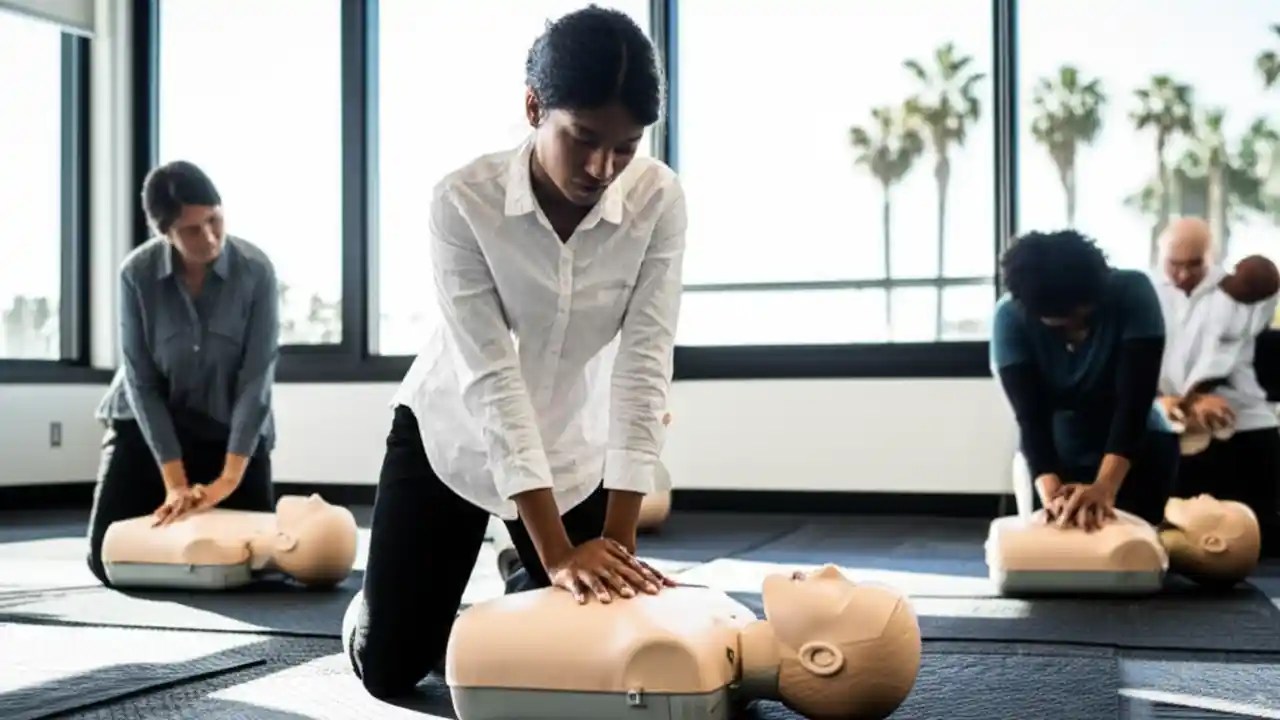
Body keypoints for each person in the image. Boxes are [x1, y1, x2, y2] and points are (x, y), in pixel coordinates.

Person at [345, 6, 683, 699]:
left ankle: (518, 572)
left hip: (569, 445)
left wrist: (613, 550)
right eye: (583, 138)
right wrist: (559, 553)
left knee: (591, 635)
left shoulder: (659, 200)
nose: (602, 167)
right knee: (392, 670)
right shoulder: (462, 202)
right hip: (455, 438)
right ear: (534, 107)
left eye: (626, 145)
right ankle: (381, 607)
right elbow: (491, 380)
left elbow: (644, 366)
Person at [87, 160, 280, 585]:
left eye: (215, 219)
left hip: (229, 429)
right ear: (165, 233)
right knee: (104, 558)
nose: (210, 237)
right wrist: (176, 485)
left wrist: (227, 481)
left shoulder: (256, 271)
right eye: (192, 229)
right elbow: (141, 381)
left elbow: (256, 381)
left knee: (259, 565)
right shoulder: (136, 275)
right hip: (149, 427)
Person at [990, 229, 1177, 531]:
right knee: (1054, 548)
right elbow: (1030, 417)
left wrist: (1105, 487)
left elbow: (1134, 403)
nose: (1076, 328)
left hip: (1139, 447)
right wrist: (1053, 496)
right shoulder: (1010, 317)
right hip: (1054, 451)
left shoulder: (1133, 291)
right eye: (1063, 321)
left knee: (1130, 551)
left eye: (1083, 315)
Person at [1151, 217, 1280, 556]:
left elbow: (1226, 349)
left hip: (1240, 414)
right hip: (1170, 416)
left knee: (1260, 537)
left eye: (1194, 264)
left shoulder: (1241, 290)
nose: (1182, 274)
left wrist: (1196, 399)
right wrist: (1176, 403)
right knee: (1176, 537)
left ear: (1212, 256)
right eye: (1174, 264)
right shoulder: (1146, 291)